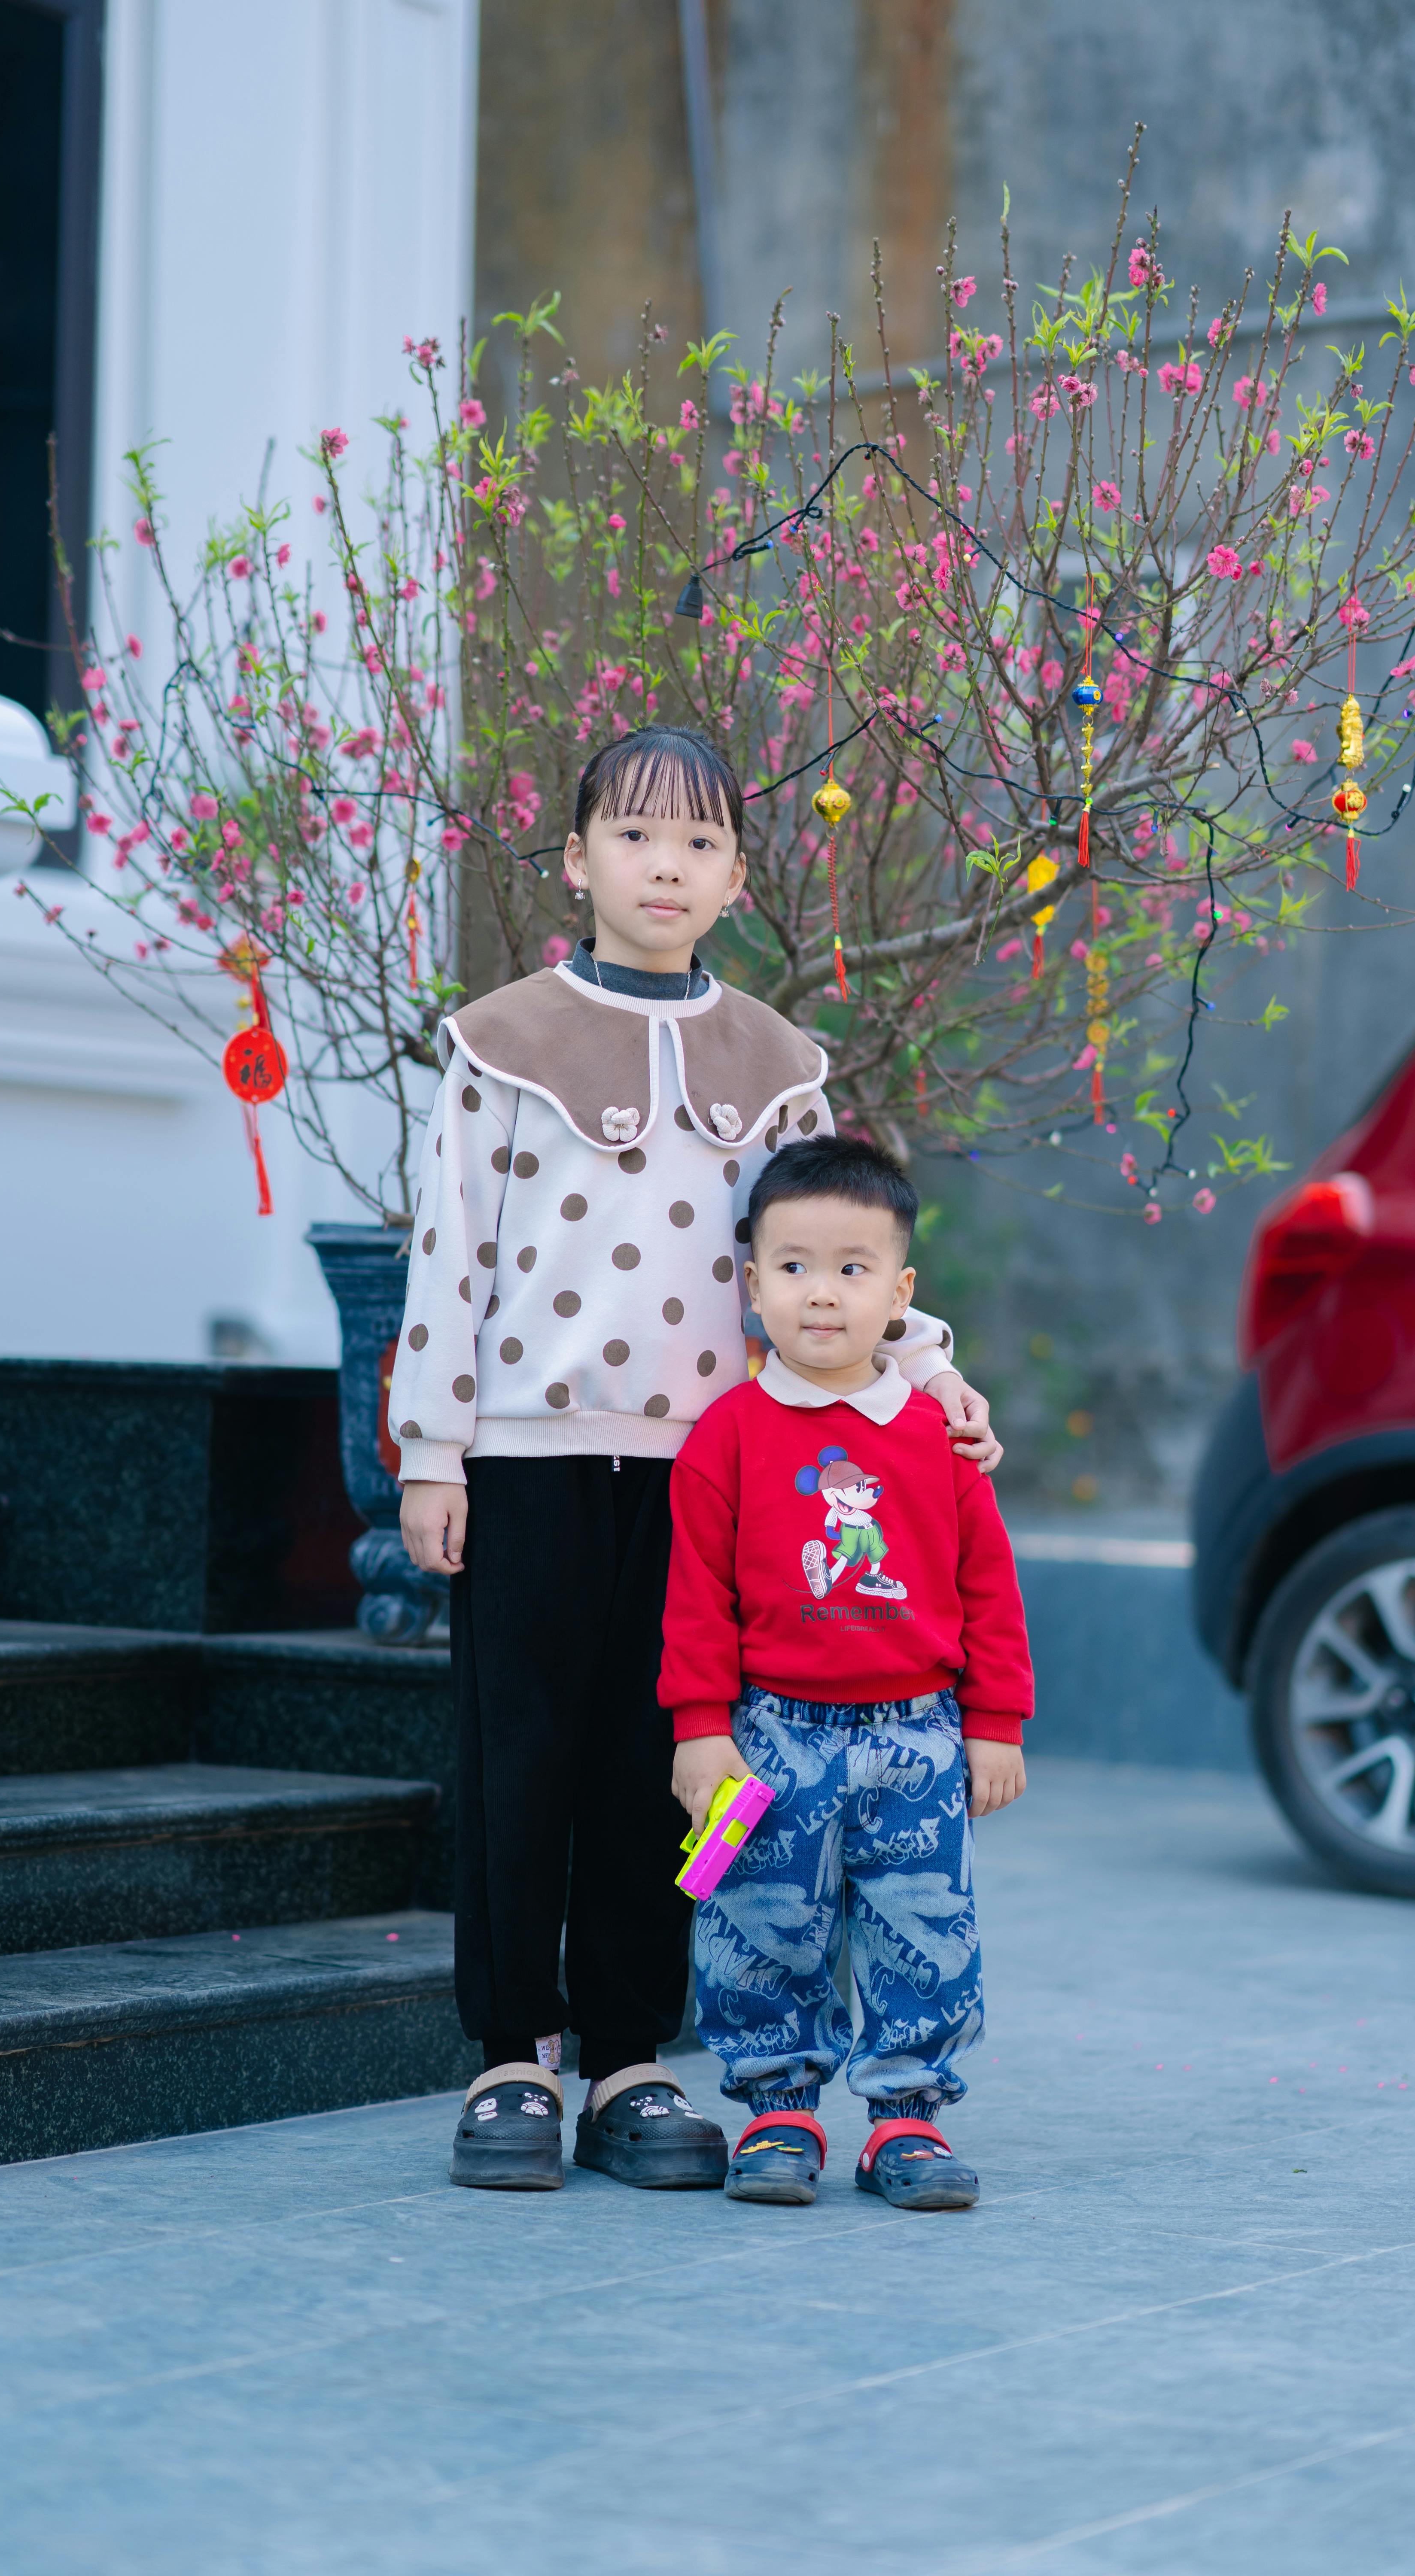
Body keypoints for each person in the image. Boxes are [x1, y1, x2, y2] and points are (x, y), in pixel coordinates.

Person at [389, 724, 1001, 2193]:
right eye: (638, 836)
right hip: (528, 1459)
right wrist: (432, 1449)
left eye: (703, 842)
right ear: (577, 858)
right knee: (519, 1761)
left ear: (737, 875)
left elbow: (827, 1255)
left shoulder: (777, 1066)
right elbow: (449, 1253)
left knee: (686, 1772)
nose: (667, 867)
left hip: (723, 1478)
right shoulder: (500, 1042)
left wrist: (928, 1368)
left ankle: (636, 2056)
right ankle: (512, 2056)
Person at [660, 1133, 1032, 2211]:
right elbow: (697, 1599)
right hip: (769, 1737)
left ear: (900, 1295)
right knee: (753, 1924)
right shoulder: (727, 1436)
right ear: (752, 1285)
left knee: (924, 1933)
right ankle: (776, 2111)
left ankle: (906, 2120)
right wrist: (700, 1728)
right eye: (793, 1267)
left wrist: (994, 1722)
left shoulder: (935, 1435)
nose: (820, 1294)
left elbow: (987, 1588)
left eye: (851, 1269)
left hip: (916, 1734)